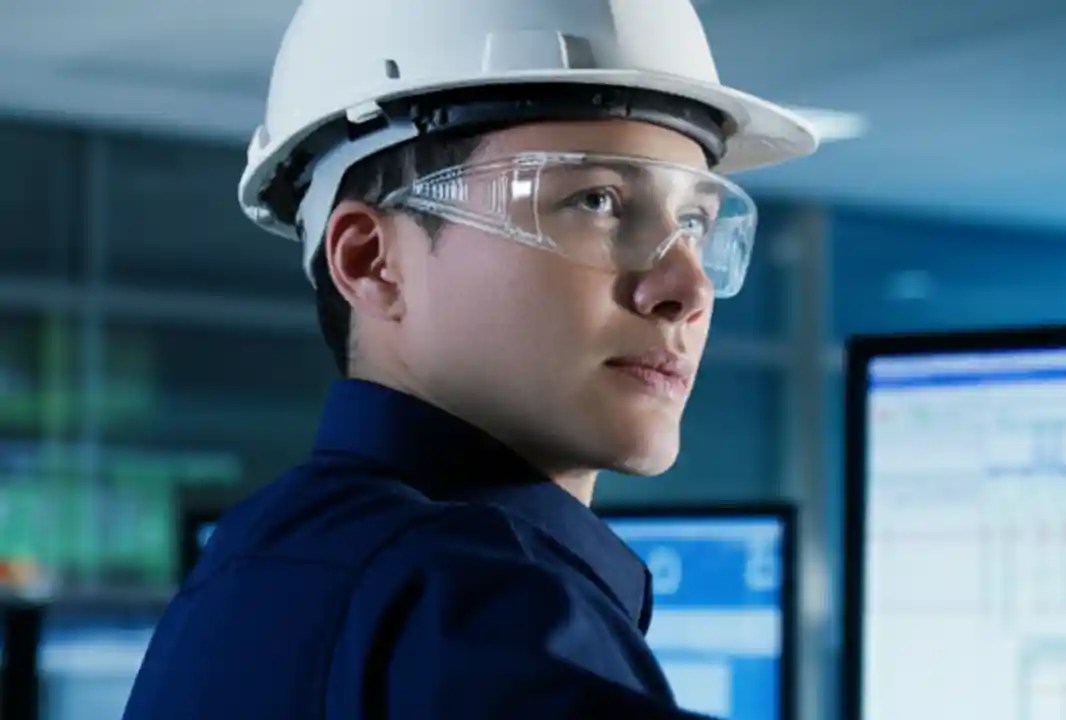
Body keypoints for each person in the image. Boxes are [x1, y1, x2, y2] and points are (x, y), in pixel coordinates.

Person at [122, 0, 817, 717]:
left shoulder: (262, 561)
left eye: (695, 222)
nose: (688, 288)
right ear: (373, 262)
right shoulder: (469, 601)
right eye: (598, 201)